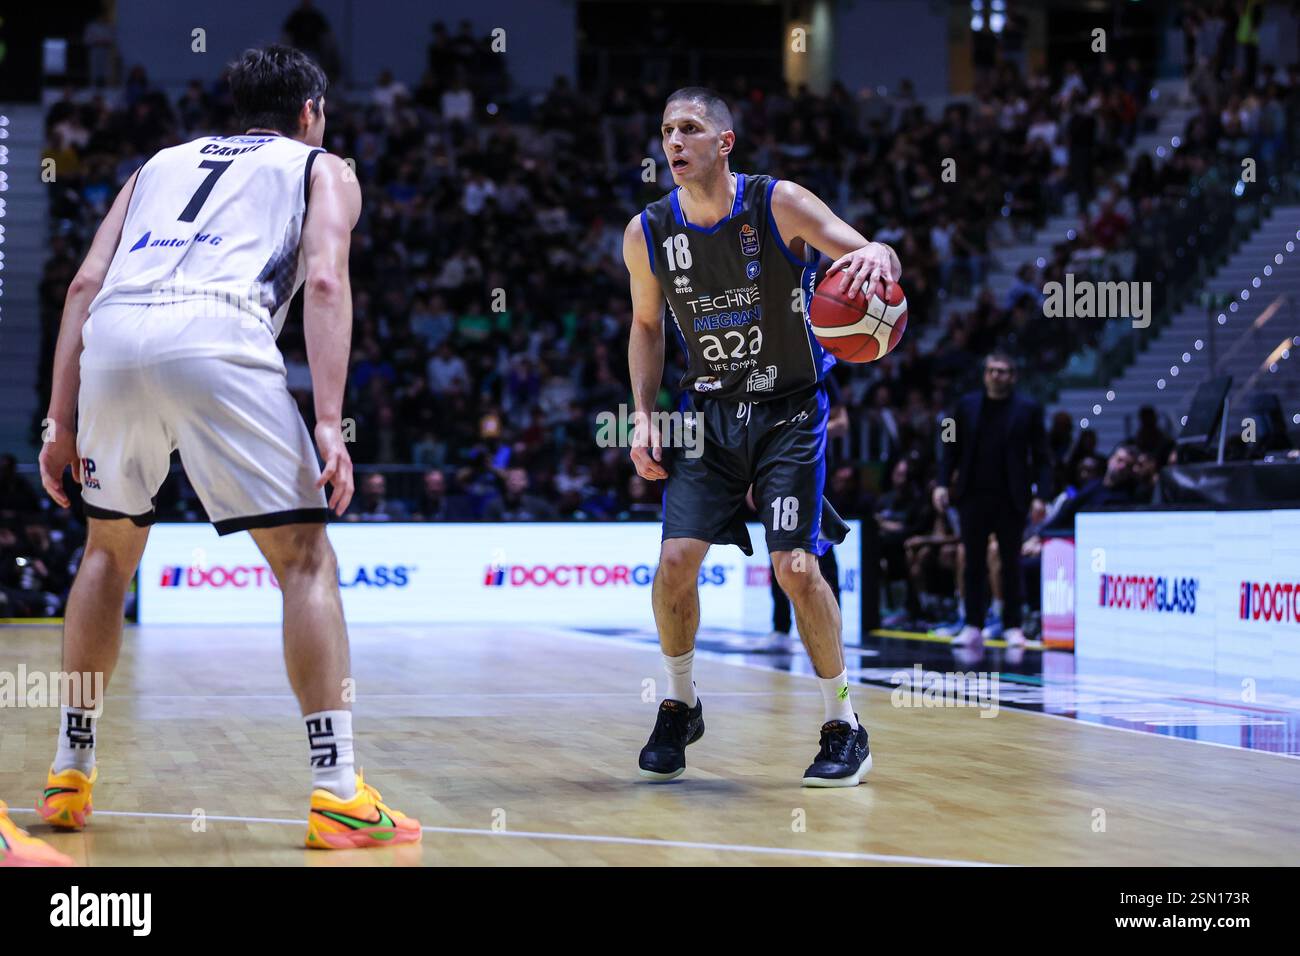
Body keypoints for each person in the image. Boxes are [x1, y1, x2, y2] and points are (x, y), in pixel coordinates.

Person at [35, 46, 419, 849]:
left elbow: (80, 285)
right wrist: (328, 420)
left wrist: (59, 423)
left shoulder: (158, 164)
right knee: (305, 557)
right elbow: (323, 282)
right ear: (312, 112)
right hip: (218, 333)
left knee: (107, 552)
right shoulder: (324, 168)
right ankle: (337, 788)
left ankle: (69, 773)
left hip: (113, 339)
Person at [624, 87, 901, 787]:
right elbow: (648, 327)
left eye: (689, 128)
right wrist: (644, 414)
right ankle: (679, 704)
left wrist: (884, 257)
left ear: (725, 142)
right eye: (666, 131)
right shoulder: (647, 232)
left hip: (787, 410)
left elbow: (868, 250)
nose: (674, 141)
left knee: (796, 569)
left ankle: (845, 725)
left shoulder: (779, 203)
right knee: (675, 564)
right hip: (708, 416)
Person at [936, 351, 1051, 651]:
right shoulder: (964, 406)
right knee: (972, 562)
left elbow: (1042, 457)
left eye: (1003, 371)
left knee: (1009, 562)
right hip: (971, 495)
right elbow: (948, 446)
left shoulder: (1029, 409)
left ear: (1012, 376)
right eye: (992, 370)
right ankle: (973, 624)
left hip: (1011, 496)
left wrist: (1042, 496)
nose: (996, 376)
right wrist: (941, 483)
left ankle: (1012, 625)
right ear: (985, 374)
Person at [0, 800, 75, 866]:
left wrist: (17, 831)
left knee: (40, 848)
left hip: (18, 845)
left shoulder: (4, 818)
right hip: (15, 849)